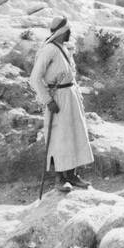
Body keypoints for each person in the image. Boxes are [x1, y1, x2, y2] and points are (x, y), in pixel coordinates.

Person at [29, 15, 93, 191]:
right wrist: (48, 100)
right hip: (57, 98)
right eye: (68, 31)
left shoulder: (63, 49)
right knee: (59, 137)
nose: (70, 33)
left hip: (70, 96)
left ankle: (72, 176)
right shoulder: (49, 50)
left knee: (73, 134)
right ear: (62, 32)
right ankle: (59, 179)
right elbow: (34, 79)